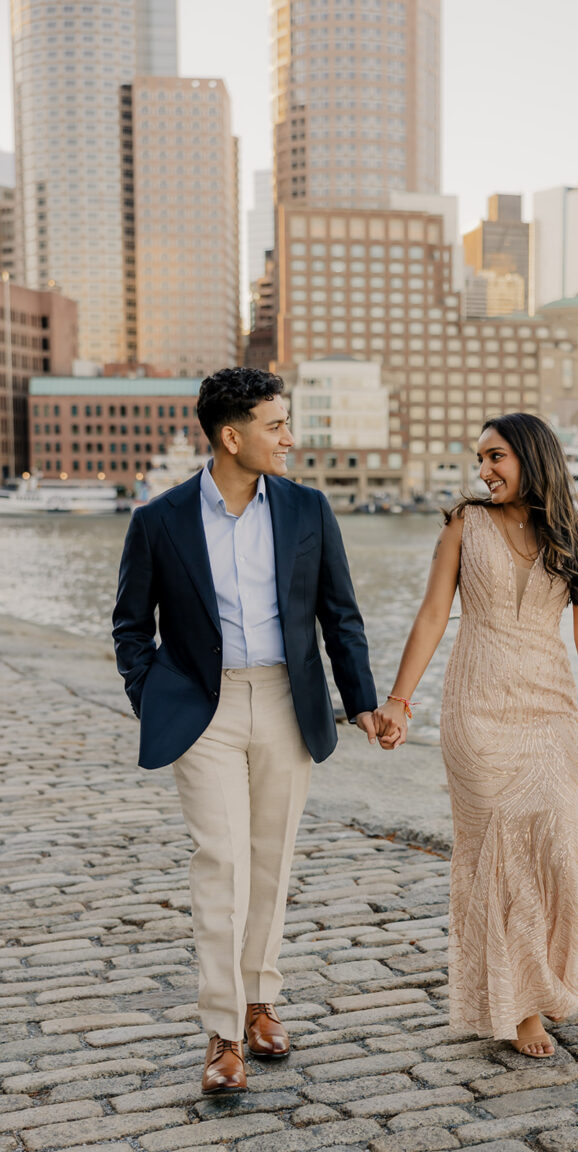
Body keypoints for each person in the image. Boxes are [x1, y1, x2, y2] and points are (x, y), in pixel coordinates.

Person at [113, 366, 394, 1094]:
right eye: (276, 425)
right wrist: (153, 697)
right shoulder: (159, 520)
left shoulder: (307, 510)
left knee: (270, 860)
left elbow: (340, 613)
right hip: (201, 710)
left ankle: (261, 998)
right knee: (221, 864)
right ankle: (222, 1032)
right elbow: (130, 625)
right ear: (230, 436)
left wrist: (362, 701)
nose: (289, 438)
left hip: (283, 701)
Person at [374, 413, 578, 1058]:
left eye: (496, 456)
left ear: (532, 458)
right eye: (480, 458)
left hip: (549, 707)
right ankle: (522, 1007)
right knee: (499, 855)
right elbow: (431, 614)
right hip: (476, 708)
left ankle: (544, 977)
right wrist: (399, 700)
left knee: (560, 841)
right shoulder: (463, 525)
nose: (484, 470)